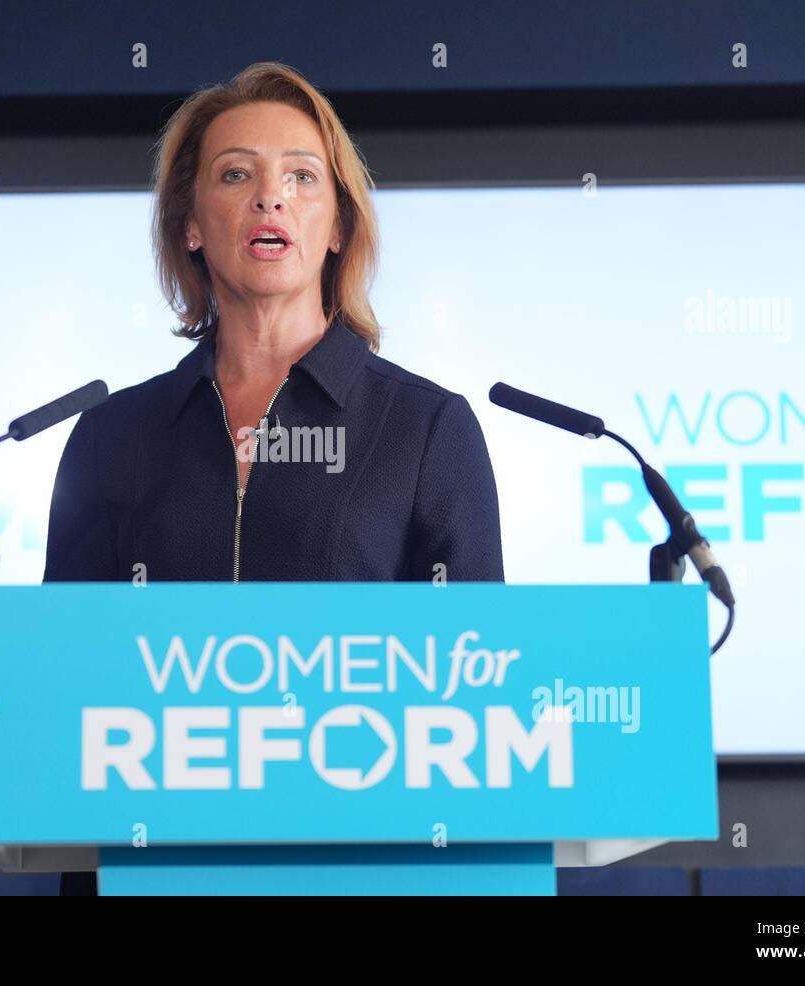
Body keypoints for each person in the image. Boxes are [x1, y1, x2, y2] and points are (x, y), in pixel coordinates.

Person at [45, 61, 504, 894]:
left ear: (336, 227)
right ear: (191, 225)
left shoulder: (428, 431)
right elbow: (59, 693)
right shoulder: (112, 437)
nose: (269, 198)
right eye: (235, 175)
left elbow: (474, 701)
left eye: (300, 176)